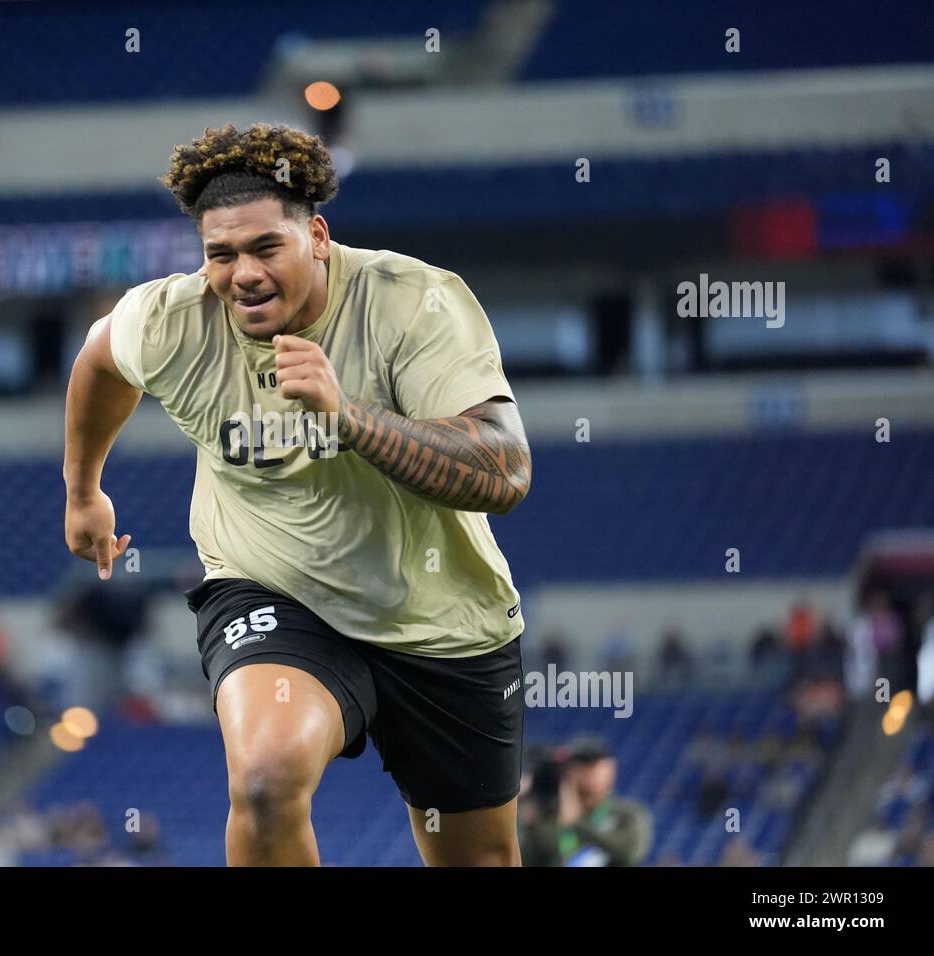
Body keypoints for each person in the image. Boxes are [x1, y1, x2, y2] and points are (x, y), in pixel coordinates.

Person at [63, 122, 532, 866]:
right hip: (274, 592)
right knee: (265, 780)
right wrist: (83, 489)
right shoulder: (173, 321)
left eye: (264, 248)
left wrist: (348, 419)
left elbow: (504, 473)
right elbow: (99, 362)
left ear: (316, 235)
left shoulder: (413, 303)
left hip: (441, 617)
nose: (241, 273)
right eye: (221, 255)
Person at [520, 737, 652, 866]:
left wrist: (576, 821)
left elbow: (628, 855)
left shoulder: (628, 814)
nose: (585, 772)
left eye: (593, 765)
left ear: (610, 769)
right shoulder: (548, 819)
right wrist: (526, 818)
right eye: (578, 765)